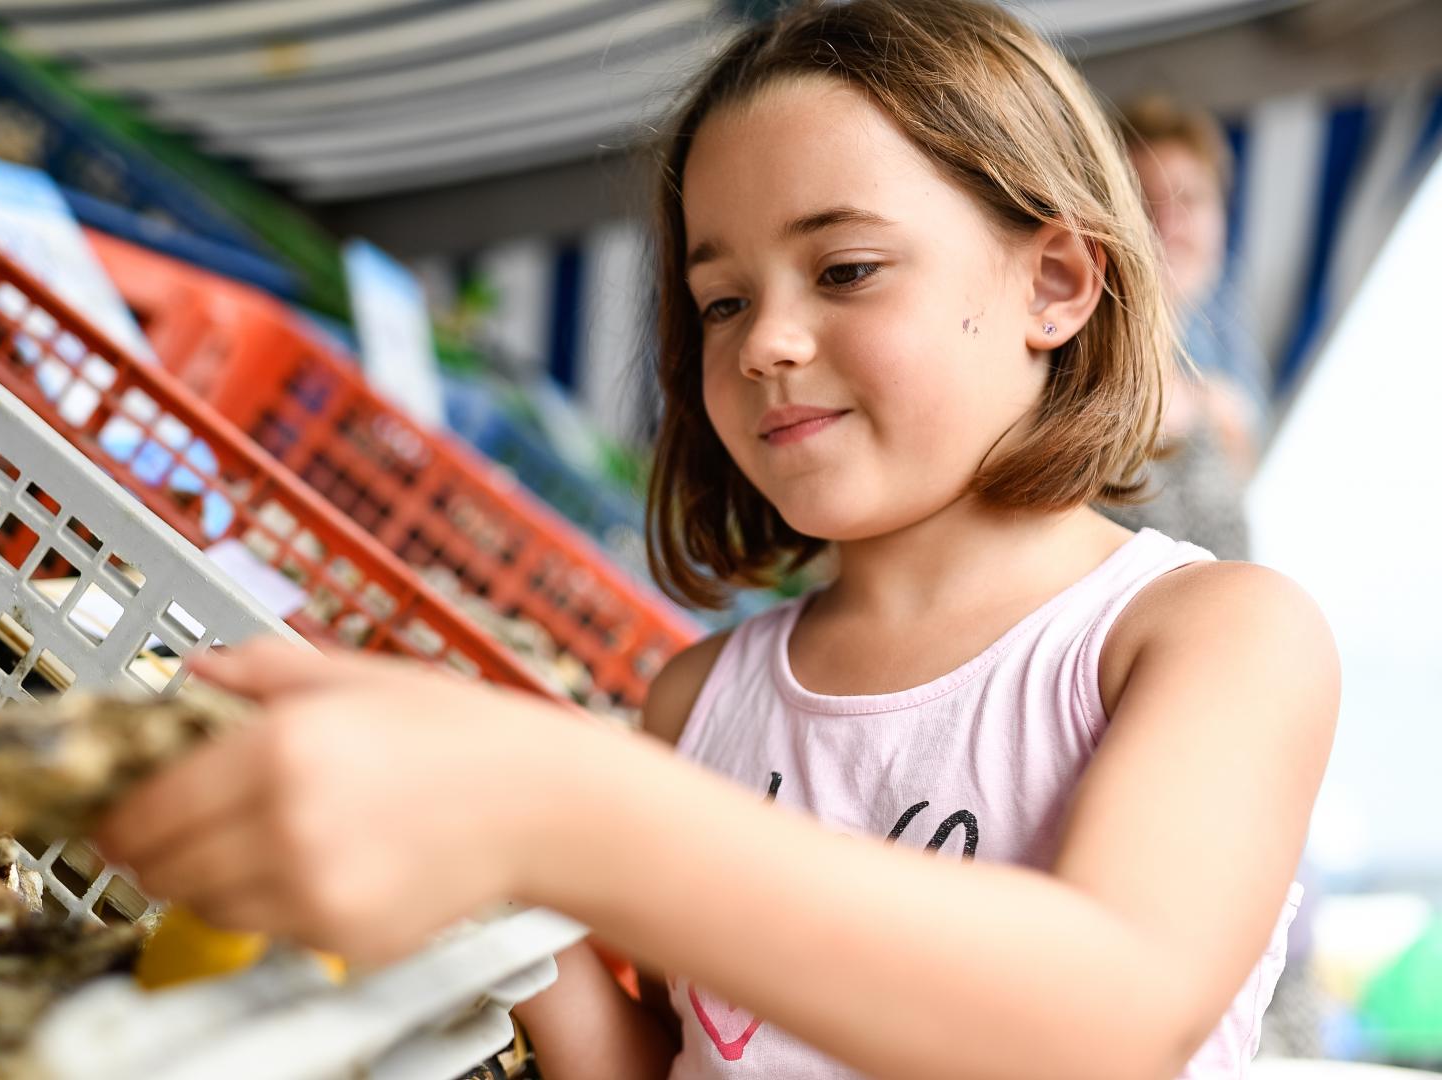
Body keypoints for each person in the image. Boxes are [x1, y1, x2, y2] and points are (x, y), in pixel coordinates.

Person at [93, 2, 1339, 1076]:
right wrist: (502, 899)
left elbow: (1110, 1017)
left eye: (845, 269)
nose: (763, 343)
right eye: (721, 300)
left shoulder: (1212, 636)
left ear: (1056, 285)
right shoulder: (701, 700)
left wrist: (551, 803)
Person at [1107, 96, 1270, 560]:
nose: (1168, 223)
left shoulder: (1224, 413)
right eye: (1141, 199)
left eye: (1190, 198)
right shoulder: (1062, 391)